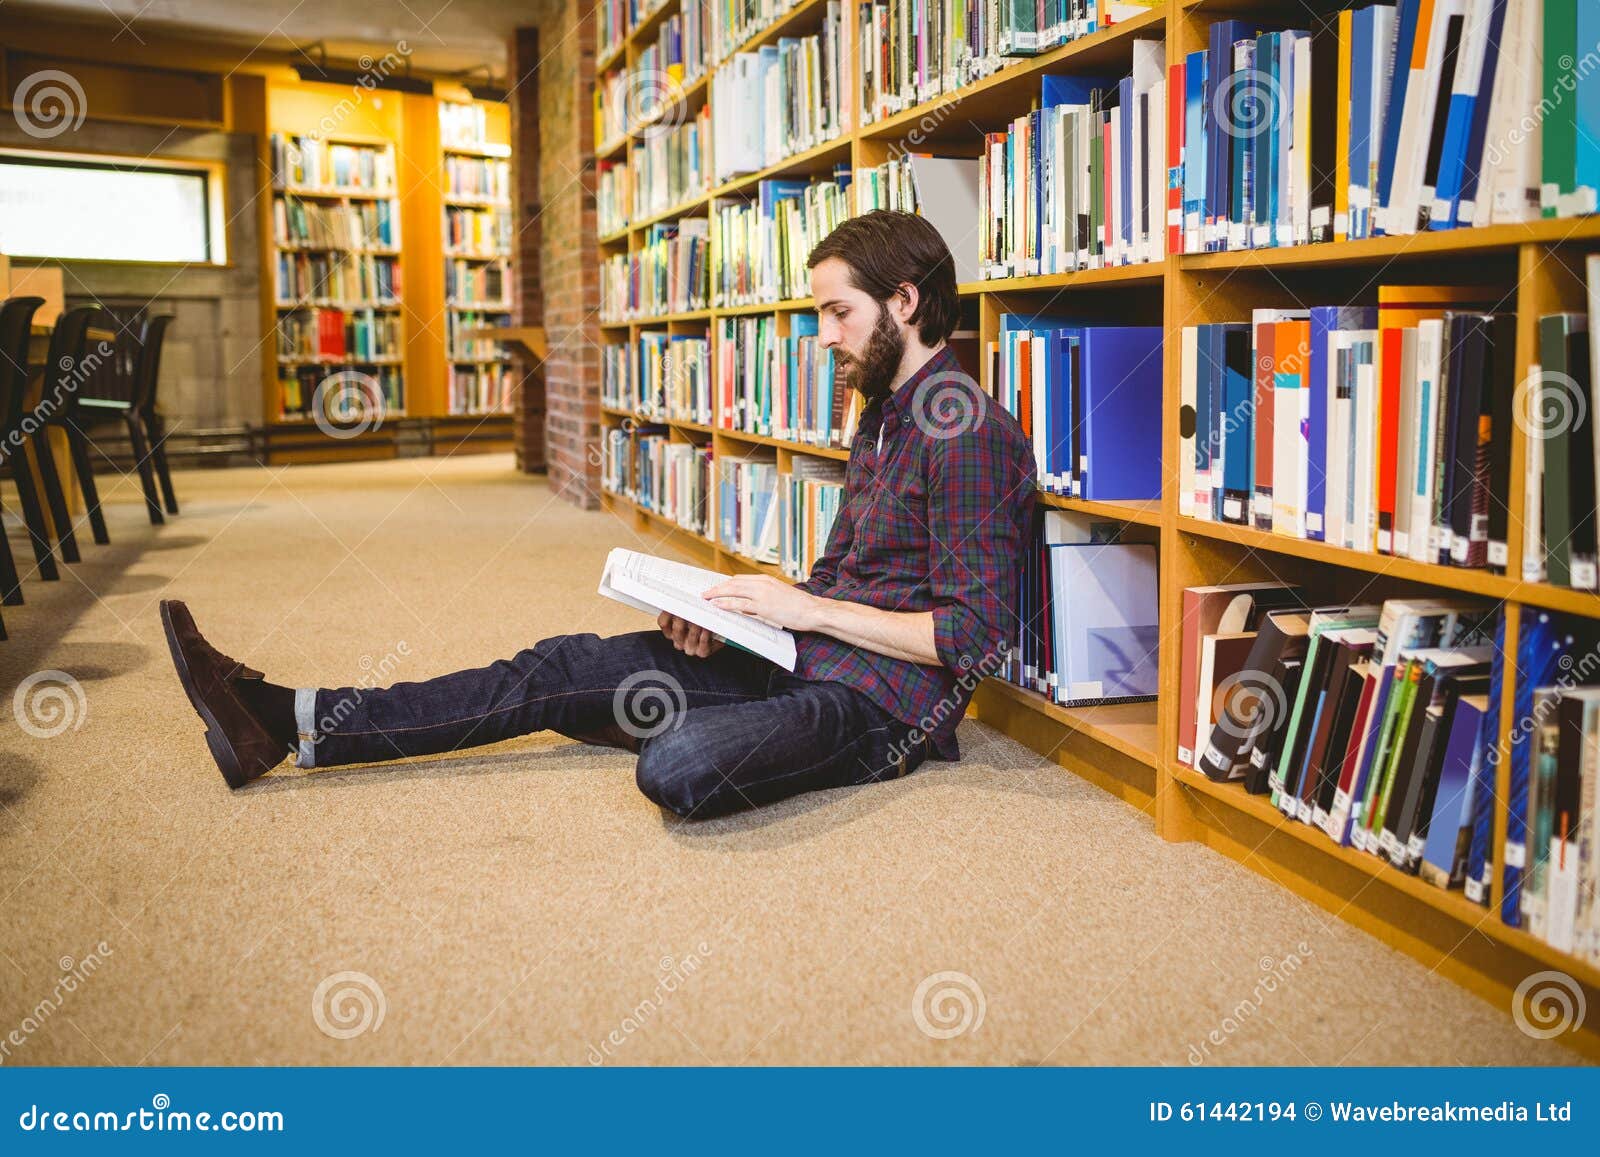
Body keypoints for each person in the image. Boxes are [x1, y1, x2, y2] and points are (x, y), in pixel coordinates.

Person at [162, 210, 1037, 819]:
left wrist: (802, 609)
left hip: (882, 710)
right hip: (804, 654)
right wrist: (733, 615)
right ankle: (291, 720)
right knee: (558, 666)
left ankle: (678, 717)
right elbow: (848, 580)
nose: (821, 334)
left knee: (676, 766)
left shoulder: (968, 432)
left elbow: (973, 640)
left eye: (837, 312)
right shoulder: (881, 415)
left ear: (907, 302)